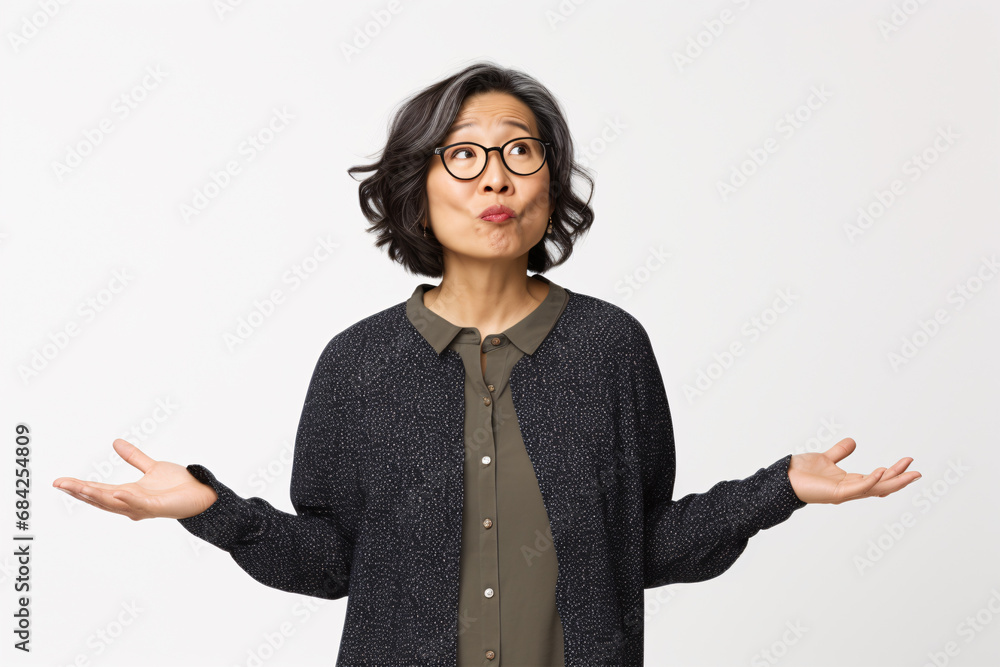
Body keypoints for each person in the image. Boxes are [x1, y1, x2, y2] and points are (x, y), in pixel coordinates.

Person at [52, 61, 921, 667]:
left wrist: (783, 488)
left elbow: (640, 545)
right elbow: (329, 563)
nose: (494, 179)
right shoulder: (357, 365)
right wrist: (209, 506)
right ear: (417, 185)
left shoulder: (612, 348)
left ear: (550, 182)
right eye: (462, 155)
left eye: (520, 150)